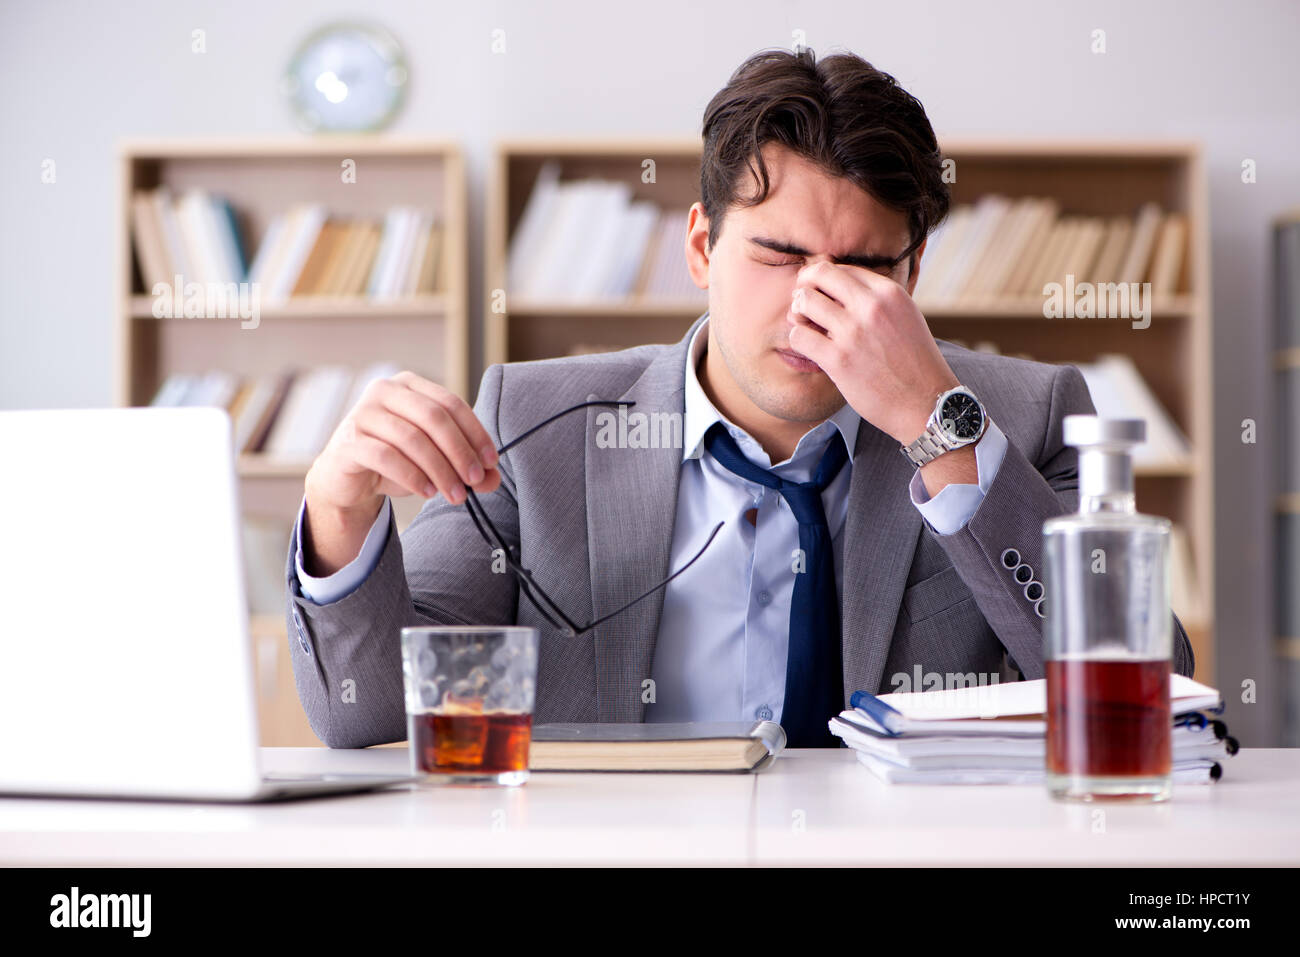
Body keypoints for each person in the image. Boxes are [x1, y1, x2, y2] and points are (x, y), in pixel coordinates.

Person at [285, 47, 1194, 749]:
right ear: (700, 249)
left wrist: (936, 427)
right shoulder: (531, 422)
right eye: (779, 254)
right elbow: (369, 716)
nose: (815, 301)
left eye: (867, 267)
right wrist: (336, 508)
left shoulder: (1022, 417)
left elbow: (1143, 694)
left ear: (913, 273)